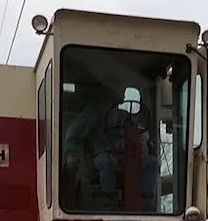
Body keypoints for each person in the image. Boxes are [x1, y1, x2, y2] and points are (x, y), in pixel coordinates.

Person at [61, 83, 160, 212]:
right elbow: (73, 133)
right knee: (107, 163)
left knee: (152, 163)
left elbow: (136, 129)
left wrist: (143, 138)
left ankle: (146, 203)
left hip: (124, 156)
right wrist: (70, 155)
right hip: (100, 155)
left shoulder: (123, 114)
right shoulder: (93, 113)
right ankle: (110, 202)